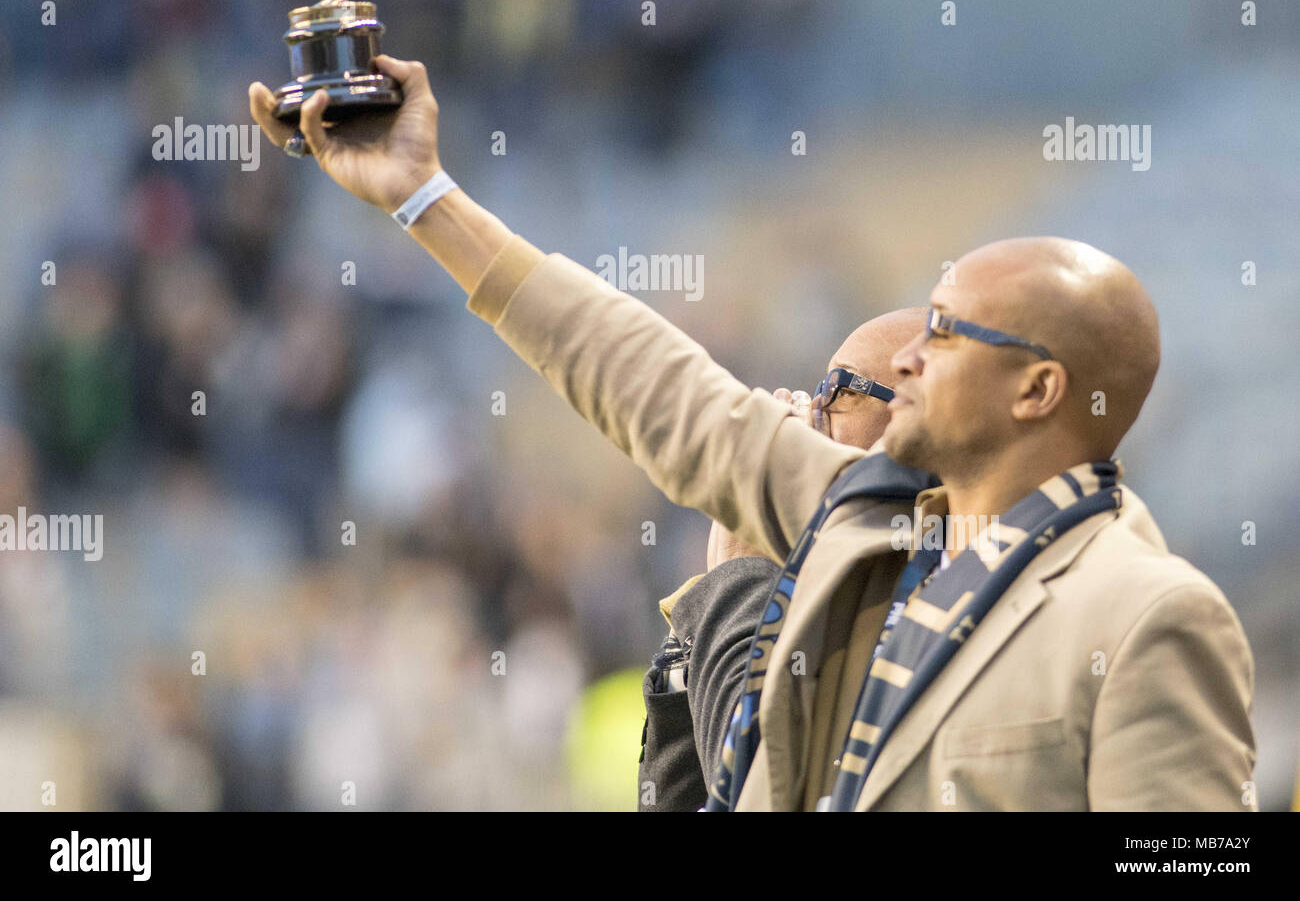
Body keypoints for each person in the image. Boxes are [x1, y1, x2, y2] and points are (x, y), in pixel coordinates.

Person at [248, 59, 1257, 811]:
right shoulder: (867, 520)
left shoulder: (1148, 614)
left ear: (1039, 389)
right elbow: (653, 381)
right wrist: (424, 196)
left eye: (944, 333)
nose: (909, 352)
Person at [638, 310, 925, 813]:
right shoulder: (825, 588)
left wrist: (742, 577)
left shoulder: (924, 602)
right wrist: (697, 633)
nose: (811, 412)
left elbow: (757, 792)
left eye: (841, 390)